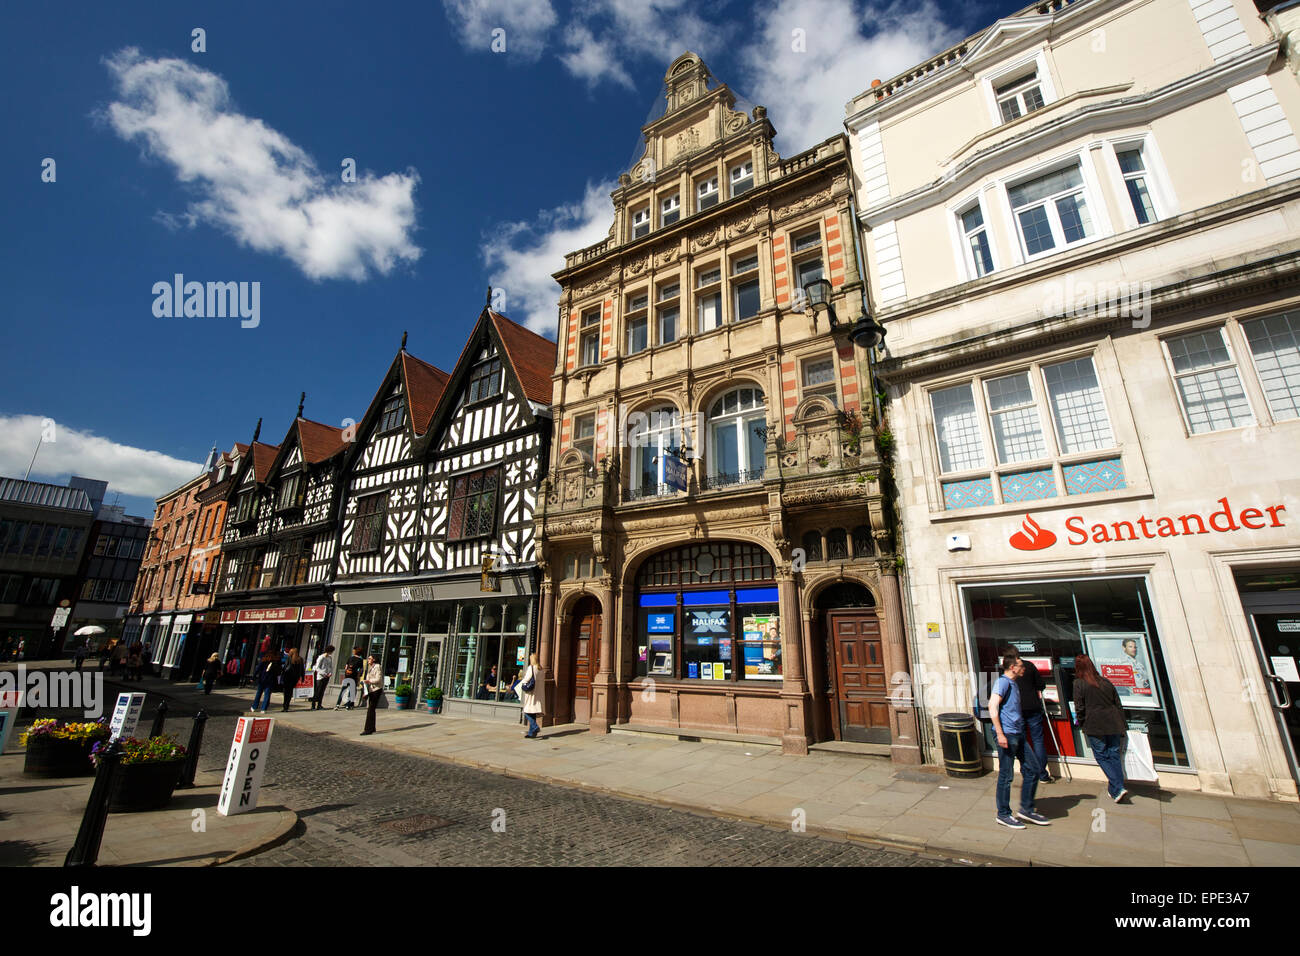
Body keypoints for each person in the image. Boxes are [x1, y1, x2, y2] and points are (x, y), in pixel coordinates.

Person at [989, 654, 1049, 828]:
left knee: (1034, 769)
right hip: (1007, 734)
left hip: (1018, 732)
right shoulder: (1003, 682)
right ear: (1012, 667)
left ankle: (1027, 809)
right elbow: (993, 706)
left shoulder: (1014, 683)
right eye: (1021, 665)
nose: (1024, 668)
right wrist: (1000, 734)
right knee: (1006, 776)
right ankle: (1003, 814)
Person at [1074, 654, 1130, 803]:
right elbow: (1117, 704)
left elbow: (1079, 707)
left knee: (1101, 756)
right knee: (1113, 755)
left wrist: (1081, 723)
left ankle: (1117, 787)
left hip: (1095, 725)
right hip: (1113, 723)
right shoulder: (1105, 681)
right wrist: (1123, 725)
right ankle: (1116, 789)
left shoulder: (1079, 683)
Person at [1003, 645, 1053, 785]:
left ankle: (1028, 772)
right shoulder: (1029, 666)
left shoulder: (1008, 672)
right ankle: (1042, 774)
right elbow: (1041, 685)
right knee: (1037, 741)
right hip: (1032, 706)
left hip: (1018, 710)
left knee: (1023, 743)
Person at [518, 652, 543, 739]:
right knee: (532, 713)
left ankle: (535, 727)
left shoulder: (531, 668)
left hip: (531, 693)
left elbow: (526, 679)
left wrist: (523, 683)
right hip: (538, 693)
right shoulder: (541, 669)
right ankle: (532, 733)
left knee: (526, 711)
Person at [360, 655, 384, 736]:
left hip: (376, 690)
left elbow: (378, 679)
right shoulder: (370, 667)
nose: (368, 660)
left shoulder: (377, 667)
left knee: (370, 709)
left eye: (370, 658)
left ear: (374, 659)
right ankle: (372, 728)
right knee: (371, 709)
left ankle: (368, 729)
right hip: (371, 690)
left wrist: (369, 681)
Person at [335, 646, 364, 710]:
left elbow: (346, 667)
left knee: (343, 690)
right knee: (351, 691)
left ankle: (337, 704)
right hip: (354, 677)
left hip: (347, 676)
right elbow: (360, 670)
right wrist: (358, 678)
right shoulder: (360, 660)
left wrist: (346, 673)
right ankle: (348, 705)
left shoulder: (350, 658)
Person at [311, 645, 335, 710]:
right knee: (318, 691)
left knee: (322, 691)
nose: (331, 653)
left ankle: (319, 705)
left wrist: (330, 673)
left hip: (327, 676)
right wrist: (324, 673)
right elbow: (317, 667)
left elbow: (330, 666)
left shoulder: (330, 658)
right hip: (320, 676)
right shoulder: (321, 657)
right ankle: (313, 705)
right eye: (331, 651)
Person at [281, 648, 305, 712]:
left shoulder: (289, 658)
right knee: (290, 691)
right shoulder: (300, 659)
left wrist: (282, 675)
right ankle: (287, 705)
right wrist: (303, 677)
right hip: (295, 678)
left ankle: (285, 706)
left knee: (286, 692)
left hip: (288, 676)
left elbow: (285, 667)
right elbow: (302, 669)